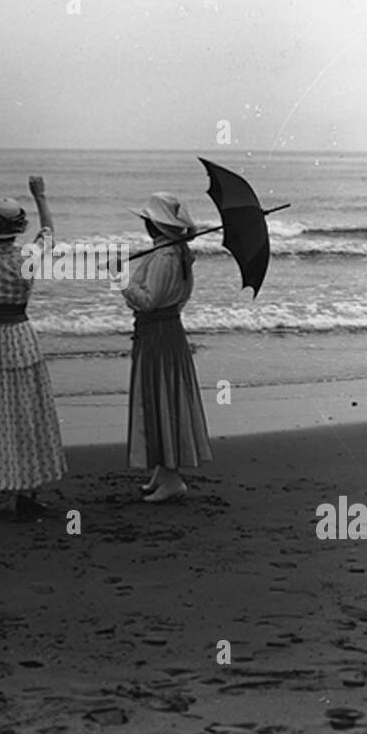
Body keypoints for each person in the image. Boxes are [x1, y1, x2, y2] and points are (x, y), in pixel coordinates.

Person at [0, 178, 67, 520]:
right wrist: (40, 195)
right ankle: (25, 494)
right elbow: (48, 231)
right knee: (25, 416)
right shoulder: (27, 257)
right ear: (18, 229)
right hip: (20, 338)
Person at [120, 192, 212, 502]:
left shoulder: (164, 257)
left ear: (154, 226)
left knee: (160, 398)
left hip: (158, 332)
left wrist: (122, 282)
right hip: (166, 330)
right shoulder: (177, 254)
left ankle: (172, 478)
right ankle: (163, 471)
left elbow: (149, 300)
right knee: (162, 396)